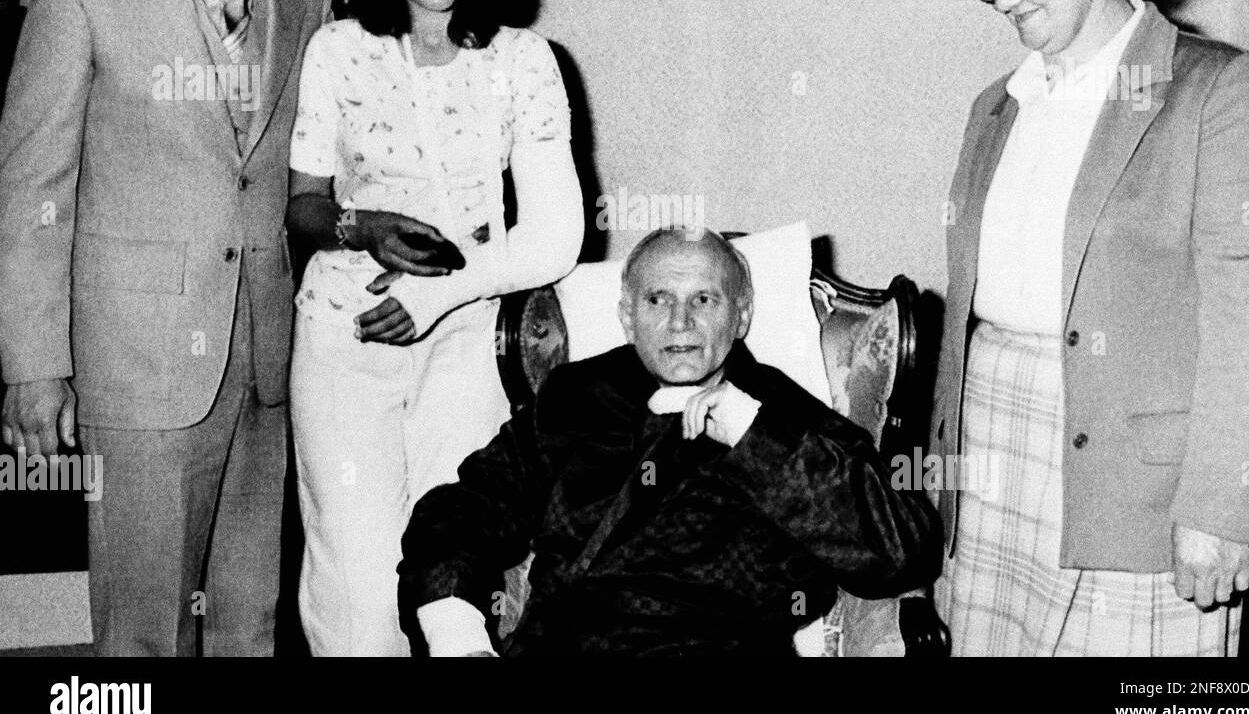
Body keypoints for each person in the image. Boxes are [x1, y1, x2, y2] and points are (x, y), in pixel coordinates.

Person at [929, 0, 1249, 656]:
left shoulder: (1219, 91)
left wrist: (1219, 510)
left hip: (1138, 483)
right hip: (997, 440)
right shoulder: (999, 104)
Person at [0, 0, 330, 655]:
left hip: (265, 358)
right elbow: (34, 188)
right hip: (138, 365)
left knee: (246, 623)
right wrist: (35, 364)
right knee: (143, 632)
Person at [286, 0, 583, 656]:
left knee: (453, 589)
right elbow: (304, 210)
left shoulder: (525, 60)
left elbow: (557, 236)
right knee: (361, 604)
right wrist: (365, 225)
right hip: (346, 340)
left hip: (464, 341)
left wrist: (442, 293)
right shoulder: (337, 51)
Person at [397, 227, 941, 657]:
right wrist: (456, 635)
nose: (681, 321)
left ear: (742, 313)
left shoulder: (783, 411)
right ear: (627, 316)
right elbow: (462, 511)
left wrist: (756, 437)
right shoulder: (574, 397)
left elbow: (903, 548)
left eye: (705, 298)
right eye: (658, 299)